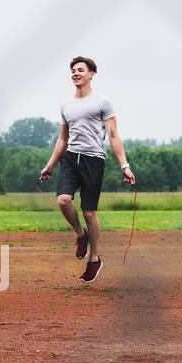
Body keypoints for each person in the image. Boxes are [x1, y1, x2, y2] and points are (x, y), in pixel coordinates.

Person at [39, 56, 134, 284]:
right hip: (71, 158)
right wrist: (50, 165)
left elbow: (113, 135)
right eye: (73, 70)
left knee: (90, 212)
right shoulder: (66, 105)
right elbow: (63, 139)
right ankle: (81, 235)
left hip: (94, 160)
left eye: (80, 69)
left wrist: (125, 165)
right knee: (63, 200)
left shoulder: (102, 102)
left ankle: (94, 259)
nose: (75, 73)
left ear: (91, 74)